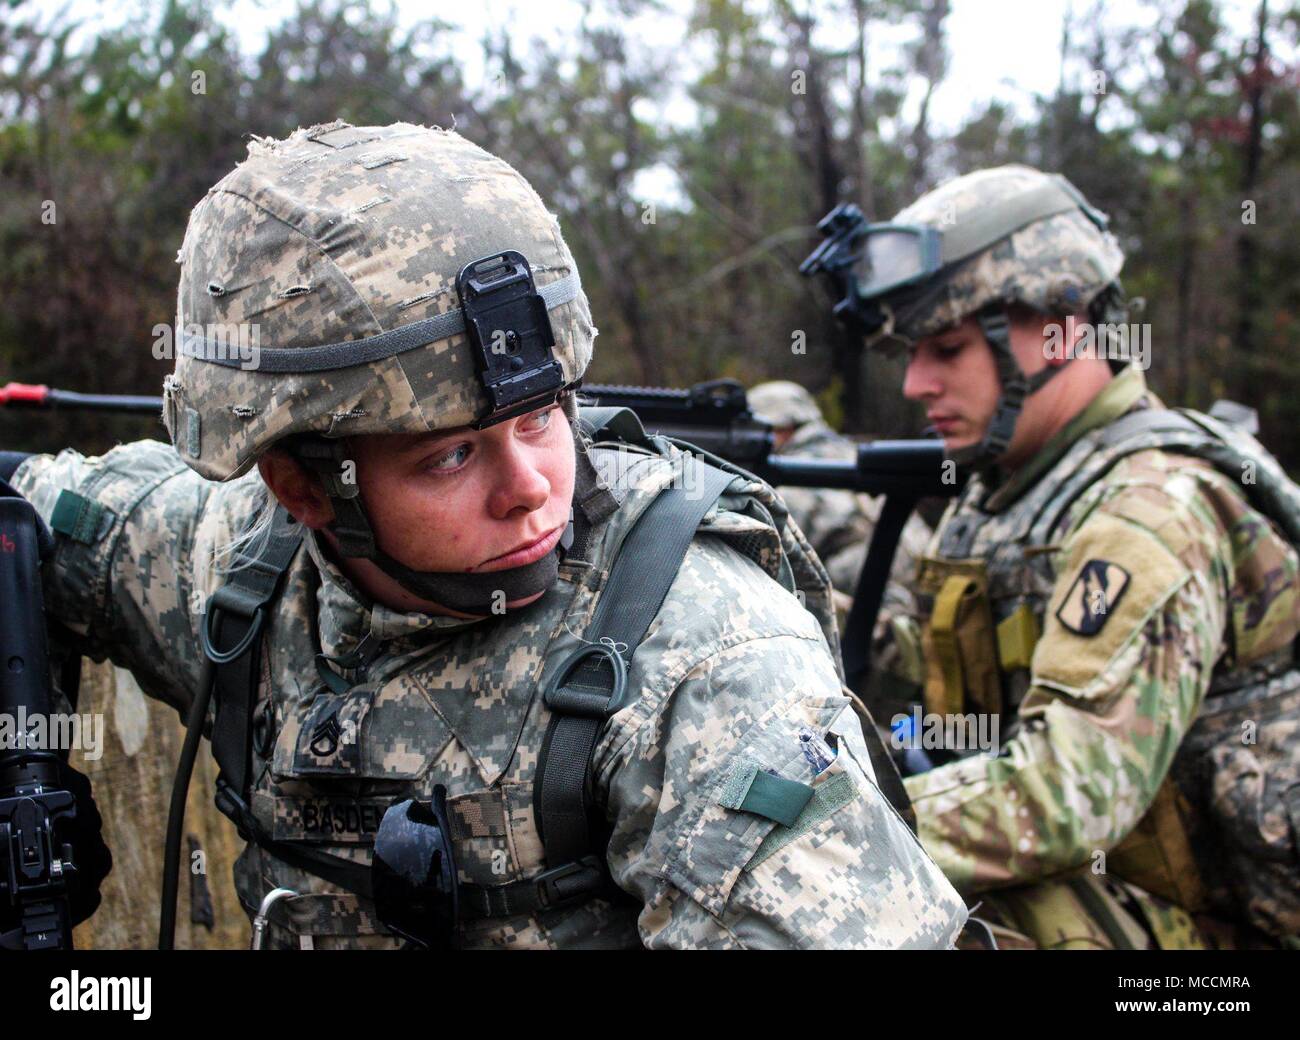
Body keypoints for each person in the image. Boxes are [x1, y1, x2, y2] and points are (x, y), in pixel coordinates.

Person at [7, 121, 966, 950]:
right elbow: (40, 509)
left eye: (544, 417)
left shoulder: (706, 659)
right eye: (451, 458)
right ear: (300, 485)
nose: (532, 489)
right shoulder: (231, 564)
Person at [850, 163, 1300, 949]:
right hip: (1124, 887)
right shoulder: (1007, 491)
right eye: (912, 354)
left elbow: (1067, 794)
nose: (916, 383)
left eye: (947, 348)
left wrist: (840, 825)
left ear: (1061, 328)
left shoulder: (1150, 510)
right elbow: (930, 677)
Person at [748, 380, 931, 602]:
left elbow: (770, 556)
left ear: (783, 428)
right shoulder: (851, 451)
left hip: (881, 595)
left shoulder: (793, 472)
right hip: (928, 575)